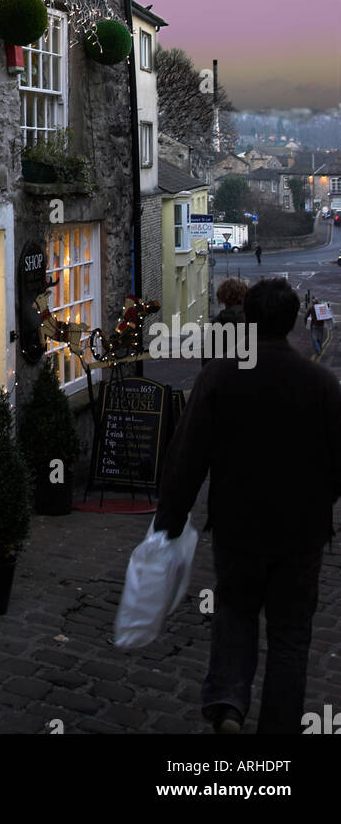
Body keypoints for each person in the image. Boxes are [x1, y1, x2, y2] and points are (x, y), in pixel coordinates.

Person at [154, 277, 341, 735]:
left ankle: (229, 705)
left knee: (235, 613)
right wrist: (318, 501)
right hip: (301, 532)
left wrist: (170, 521)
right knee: (290, 637)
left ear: (250, 320)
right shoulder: (320, 382)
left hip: (238, 524)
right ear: (292, 320)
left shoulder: (218, 377)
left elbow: (188, 454)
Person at [203, 277, 249, 367]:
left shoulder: (216, 323)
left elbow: (207, 362)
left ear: (222, 297)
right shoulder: (252, 320)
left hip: (222, 376)